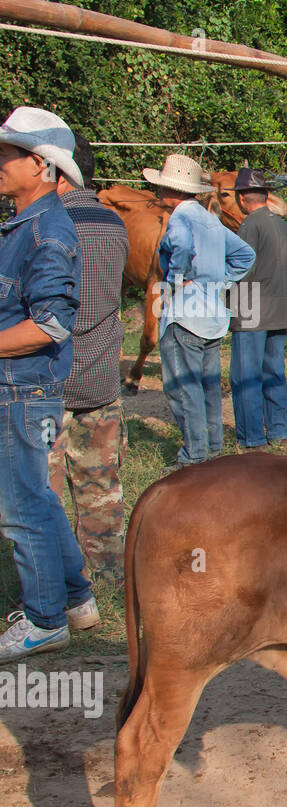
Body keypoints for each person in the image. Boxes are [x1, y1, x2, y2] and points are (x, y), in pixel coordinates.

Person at [0, 107, 97, 662]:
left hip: (20, 386)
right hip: (24, 385)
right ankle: (78, 599)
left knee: (19, 507)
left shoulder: (47, 230)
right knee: (36, 496)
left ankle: (43, 621)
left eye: (8, 154)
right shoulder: (26, 223)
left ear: (39, 164)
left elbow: (51, 322)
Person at [50, 132, 129, 587]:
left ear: (58, 173)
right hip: (100, 378)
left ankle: (56, 582)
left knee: (42, 491)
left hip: (51, 378)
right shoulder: (114, 222)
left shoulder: (45, 224)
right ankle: (106, 575)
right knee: (100, 485)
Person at [147, 153, 255, 468]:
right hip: (212, 317)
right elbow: (245, 255)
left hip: (185, 315)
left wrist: (177, 280)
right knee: (208, 386)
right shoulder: (210, 218)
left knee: (182, 386)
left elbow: (179, 245)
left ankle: (193, 457)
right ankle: (212, 452)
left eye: (161, 187)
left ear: (171, 190)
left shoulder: (180, 217)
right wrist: (219, 280)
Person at [229, 168, 287, 451]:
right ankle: (278, 429)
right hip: (279, 305)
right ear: (266, 194)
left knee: (246, 375)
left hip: (251, 307)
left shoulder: (250, 225)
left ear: (242, 198)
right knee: (274, 370)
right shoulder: (280, 223)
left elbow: (243, 268)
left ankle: (252, 437)